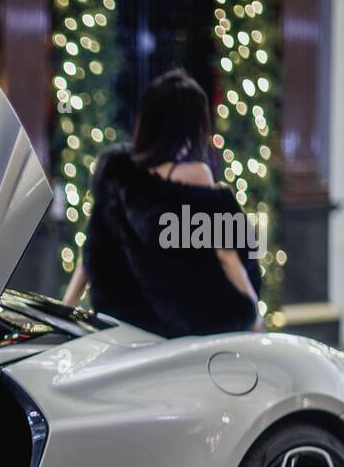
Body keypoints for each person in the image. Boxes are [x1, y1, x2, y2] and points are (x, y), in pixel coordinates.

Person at [61, 68, 261, 336]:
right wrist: (253, 313)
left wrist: (66, 310)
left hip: (123, 323)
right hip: (183, 326)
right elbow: (226, 254)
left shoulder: (116, 171)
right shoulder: (196, 175)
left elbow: (92, 250)